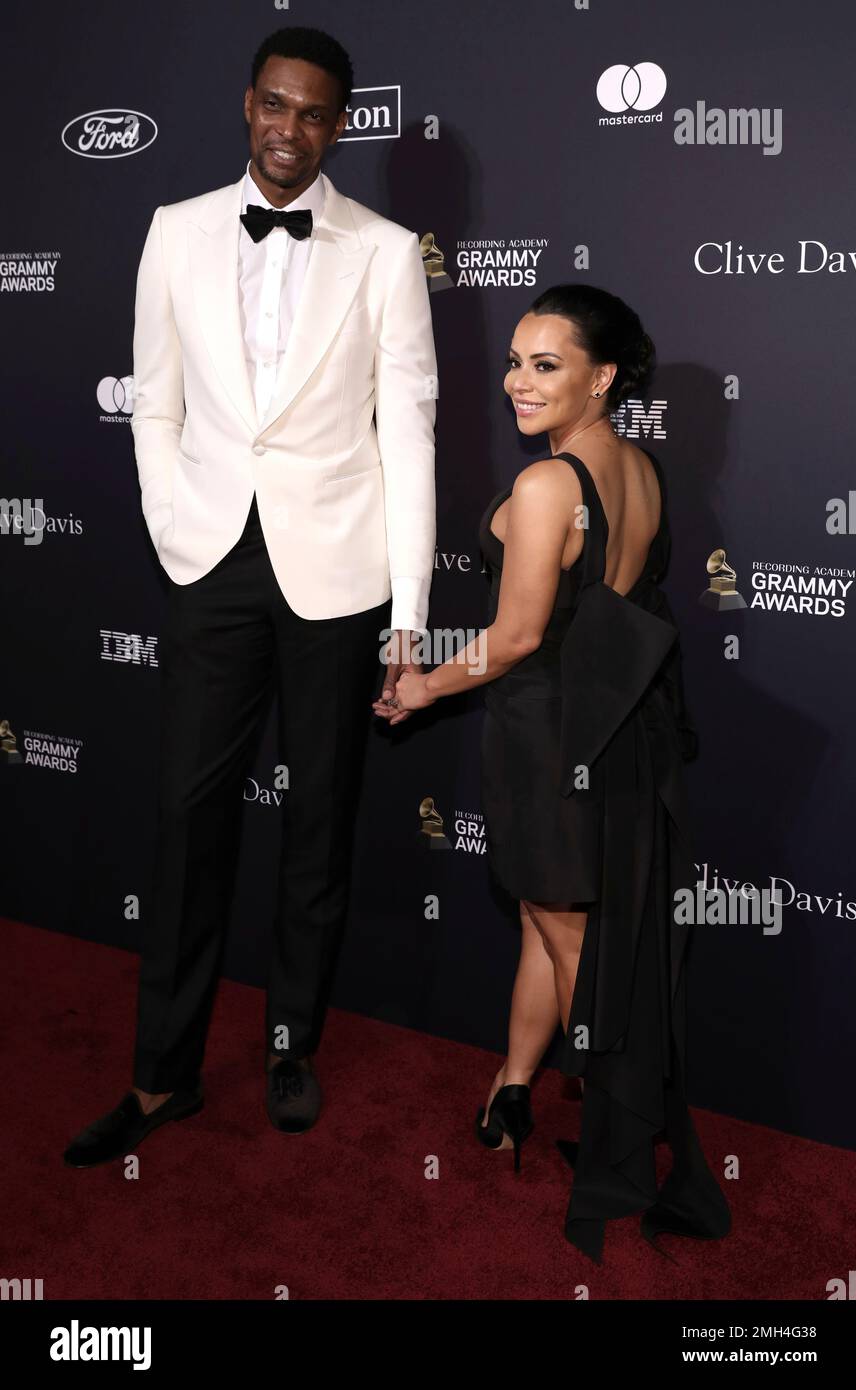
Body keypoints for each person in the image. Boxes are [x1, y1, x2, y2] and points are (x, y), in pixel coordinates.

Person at [63, 25, 436, 1167]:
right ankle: (161, 1073)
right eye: (276, 105)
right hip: (212, 562)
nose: (291, 129)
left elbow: (408, 437)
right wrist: (177, 529)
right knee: (187, 819)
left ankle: (289, 1040)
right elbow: (154, 402)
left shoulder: (382, 251)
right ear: (247, 106)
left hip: (337, 570)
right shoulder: (173, 231)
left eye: (316, 113)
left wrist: (410, 614)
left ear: (341, 124)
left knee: (318, 822)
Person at [377, 285, 731, 1263]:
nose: (517, 383)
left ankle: (628, 1137)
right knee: (550, 922)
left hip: (547, 736)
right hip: (607, 733)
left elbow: (519, 634)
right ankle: (514, 1087)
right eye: (516, 360)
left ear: (602, 375)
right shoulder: (640, 467)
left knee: (578, 949)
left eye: (547, 365)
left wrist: (419, 688)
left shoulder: (547, 487)